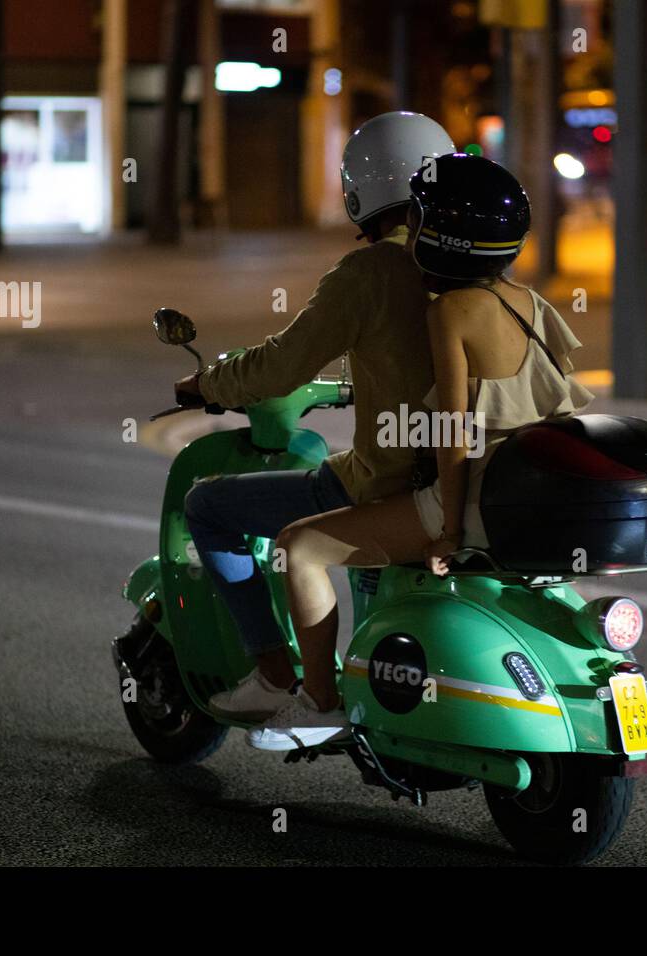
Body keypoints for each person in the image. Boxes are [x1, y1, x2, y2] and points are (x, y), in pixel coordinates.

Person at [247, 153, 594, 750]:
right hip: (527, 493)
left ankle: (319, 704)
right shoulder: (531, 304)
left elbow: (454, 431)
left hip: (479, 495)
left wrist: (448, 530)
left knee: (298, 547)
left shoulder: (450, 312)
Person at [173, 112, 455, 722]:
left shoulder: (369, 271)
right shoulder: (464, 264)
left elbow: (281, 365)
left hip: (388, 480)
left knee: (207, 506)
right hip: (456, 470)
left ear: (360, 189)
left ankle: (283, 679)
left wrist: (209, 383)